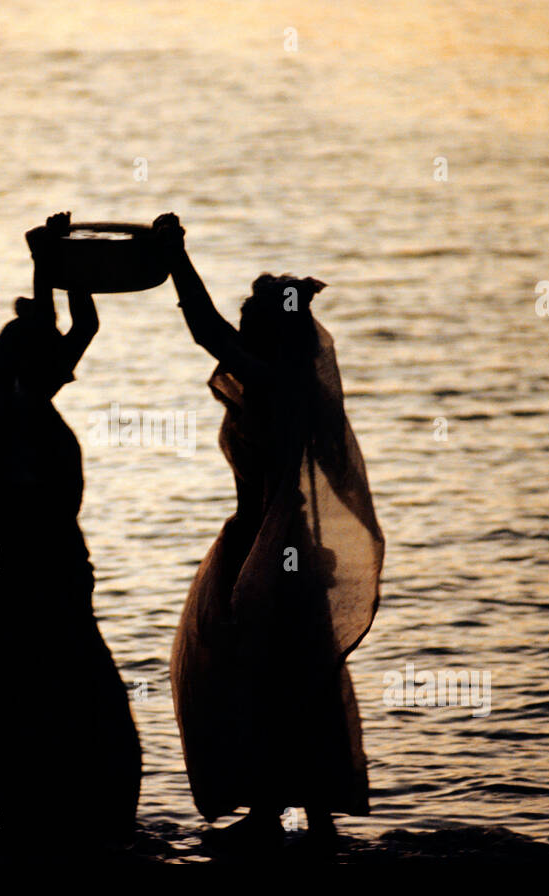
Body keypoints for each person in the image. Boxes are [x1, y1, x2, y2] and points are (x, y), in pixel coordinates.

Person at [153, 212, 385, 853]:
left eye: (251, 315)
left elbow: (205, 330)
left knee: (272, 676)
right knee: (279, 676)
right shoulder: (281, 381)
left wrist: (175, 257)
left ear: (272, 331)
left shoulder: (278, 384)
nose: (241, 323)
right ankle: (293, 814)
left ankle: (292, 817)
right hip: (272, 547)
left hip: (271, 553)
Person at [0, 213, 141, 852]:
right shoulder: (8, 422)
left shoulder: (28, 394)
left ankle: (51, 808)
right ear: (33, 367)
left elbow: (83, 325)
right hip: (25, 587)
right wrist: (52, 265)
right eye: (56, 357)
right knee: (46, 698)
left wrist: (56, 263)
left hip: (53, 581)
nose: (70, 363)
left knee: (61, 698)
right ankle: (39, 811)